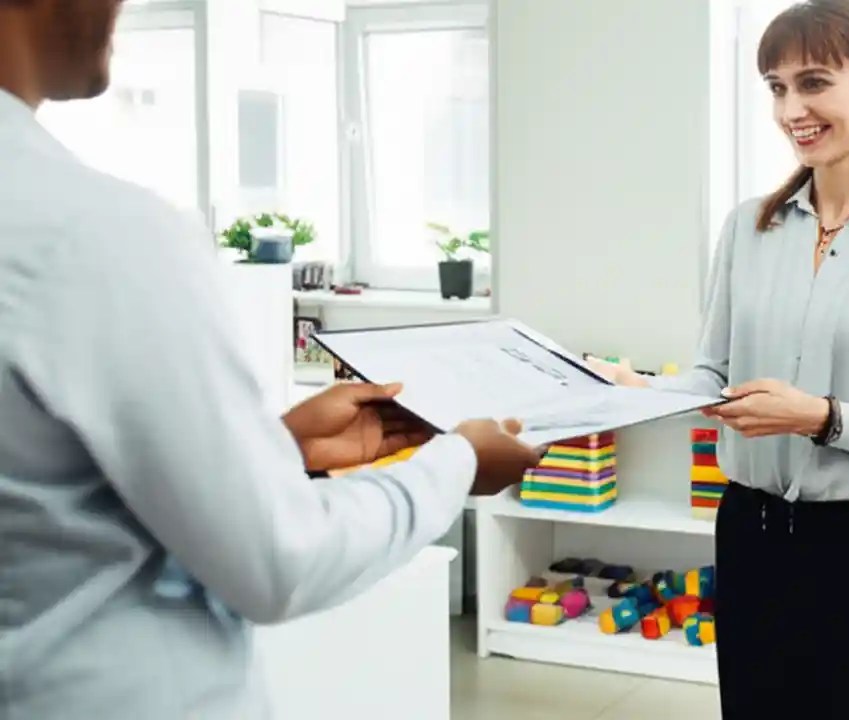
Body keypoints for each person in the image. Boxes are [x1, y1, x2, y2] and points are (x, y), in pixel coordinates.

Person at [0, 1, 543, 718]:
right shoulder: (97, 232)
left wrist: (274, 451)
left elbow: (40, 499)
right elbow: (281, 559)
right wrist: (457, 464)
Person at [591, 1, 849, 717]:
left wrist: (821, 418)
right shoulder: (749, 227)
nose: (791, 108)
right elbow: (712, 374)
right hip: (753, 537)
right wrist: (638, 391)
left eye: (812, 82)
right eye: (776, 87)